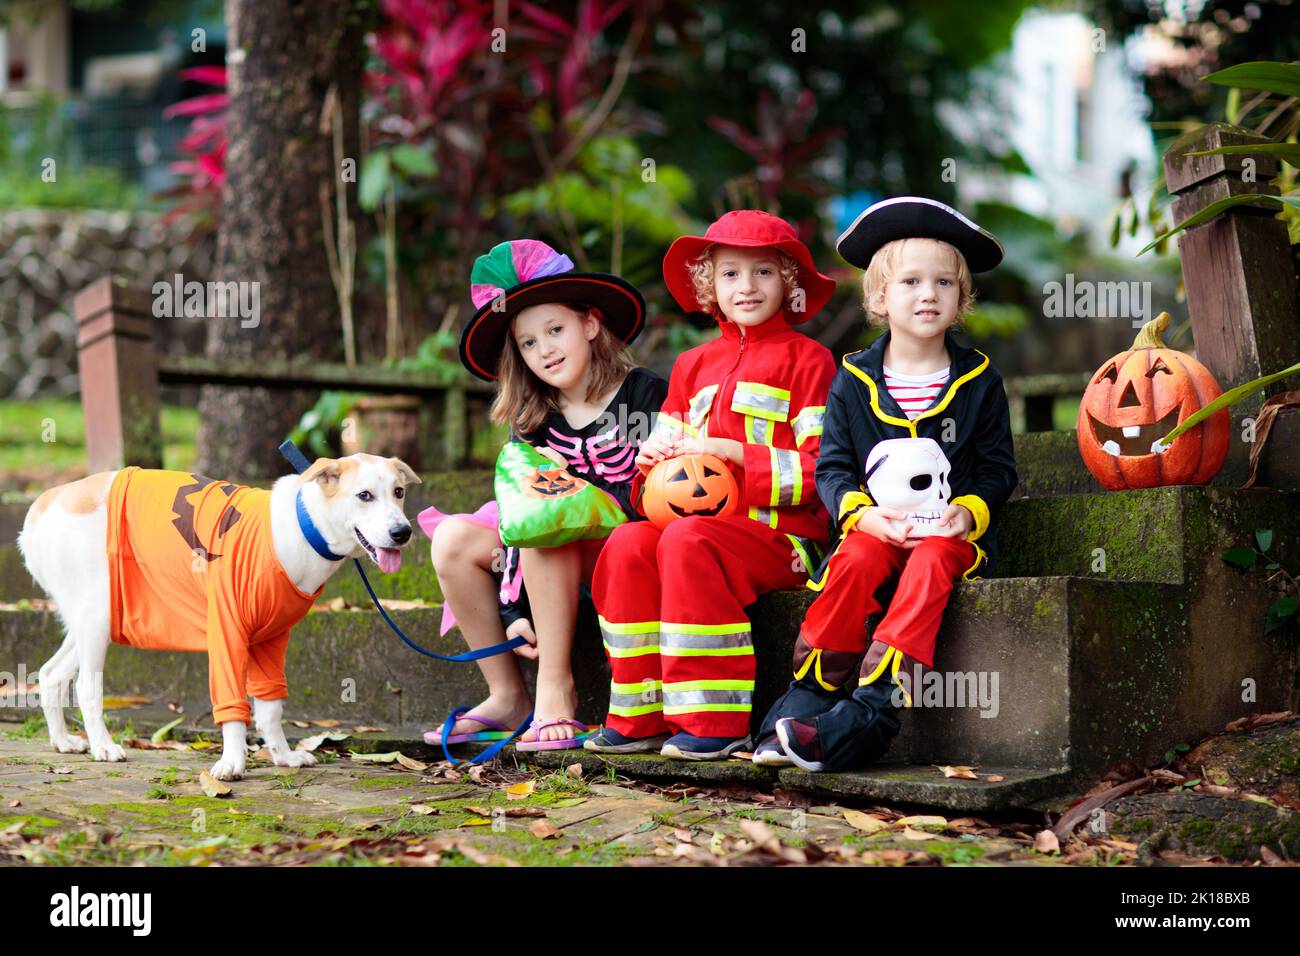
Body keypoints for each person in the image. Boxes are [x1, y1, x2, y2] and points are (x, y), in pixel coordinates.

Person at [755, 196, 1018, 772]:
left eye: (944, 282)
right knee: (854, 560)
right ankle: (814, 689)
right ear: (879, 297)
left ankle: (874, 707)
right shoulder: (853, 378)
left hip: (948, 538)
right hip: (877, 528)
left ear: (961, 297)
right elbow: (832, 467)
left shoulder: (979, 379)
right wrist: (860, 513)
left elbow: (999, 469)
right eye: (912, 281)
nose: (929, 294)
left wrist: (970, 511)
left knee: (930, 563)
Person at [585, 210, 837, 760]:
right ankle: (639, 715)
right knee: (628, 543)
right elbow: (655, 493)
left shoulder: (811, 362)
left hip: (782, 541)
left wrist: (732, 453)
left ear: (788, 282)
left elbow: (824, 473)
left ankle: (714, 721)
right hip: (695, 533)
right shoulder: (691, 366)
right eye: (729, 274)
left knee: (687, 540)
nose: (746, 287)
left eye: (763, 273)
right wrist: (647, 467)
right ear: (709, 285)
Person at [421, 239, 667, 751]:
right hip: (541, 559)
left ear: (590, 324)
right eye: (529, 343)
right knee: (451, 539)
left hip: (622, 550)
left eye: (555, 330)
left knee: (553, 516)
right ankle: (507, 694)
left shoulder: (643, 394)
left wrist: (575, 487)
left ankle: (556, 688)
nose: (546, 350)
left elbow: (659, 491)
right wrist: (513, 611)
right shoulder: (534, 419)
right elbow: (519, 515)